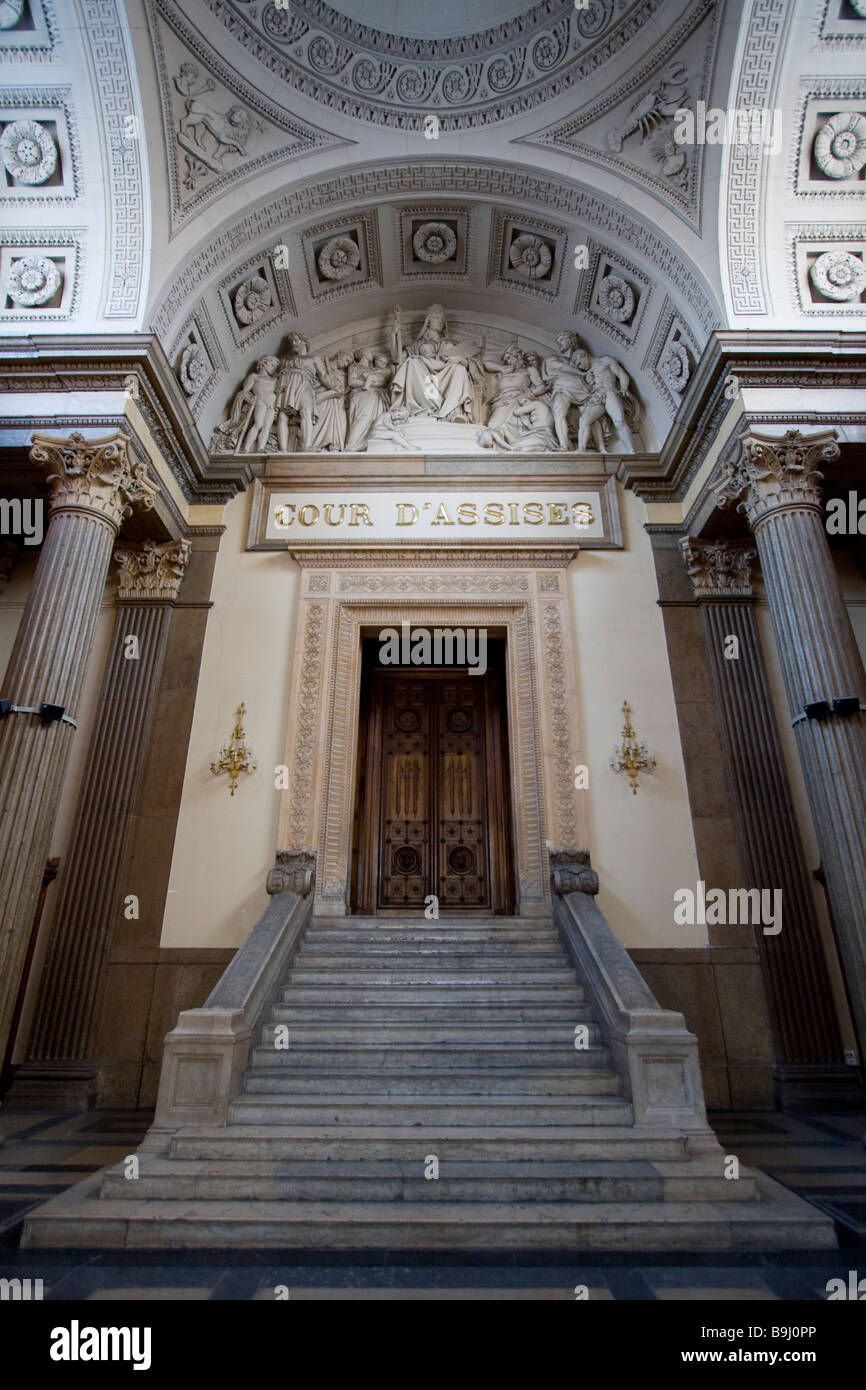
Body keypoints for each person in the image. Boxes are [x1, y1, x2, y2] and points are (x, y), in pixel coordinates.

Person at [389, 303, 479, 422]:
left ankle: (452, 412)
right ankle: (427, 409)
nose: (440, 321)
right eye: (436, 318)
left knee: (459, 369)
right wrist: (394, 334)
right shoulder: (418, 345)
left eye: (442, 319)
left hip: (445, 373)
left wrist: (459, 359)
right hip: (425, 377)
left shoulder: (449, 343)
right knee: (413, 362)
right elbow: (398, 359)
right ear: (428, 321)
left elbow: (472, 366)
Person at [345, 349, 393, 451]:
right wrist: (367, 383)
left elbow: (382, 381)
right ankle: (353, 445)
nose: (370, 352)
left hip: (374, 396)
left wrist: (372, 382)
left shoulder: (377, 370)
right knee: (362, 417)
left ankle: (369, 444)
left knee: (373, 419)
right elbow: (351, 382)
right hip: (361, 395)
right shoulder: (354, 366)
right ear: (361, 354)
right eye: (368, 352)